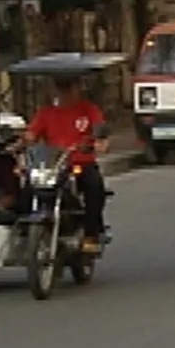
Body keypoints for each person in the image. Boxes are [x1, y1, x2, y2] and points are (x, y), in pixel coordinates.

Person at [23, 76, 109, 252]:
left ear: (77, 88)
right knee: (27, 188)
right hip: (53, 165)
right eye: (61, 87)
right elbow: (31, 135)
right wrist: (22, 141)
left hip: (80, 163)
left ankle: (90, 234)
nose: (65, 92)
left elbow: (100, 131)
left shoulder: (88, 109)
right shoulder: (46, 113)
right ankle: (26, 232)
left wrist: (99, 142)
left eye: (69, 87)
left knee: (95, 187)